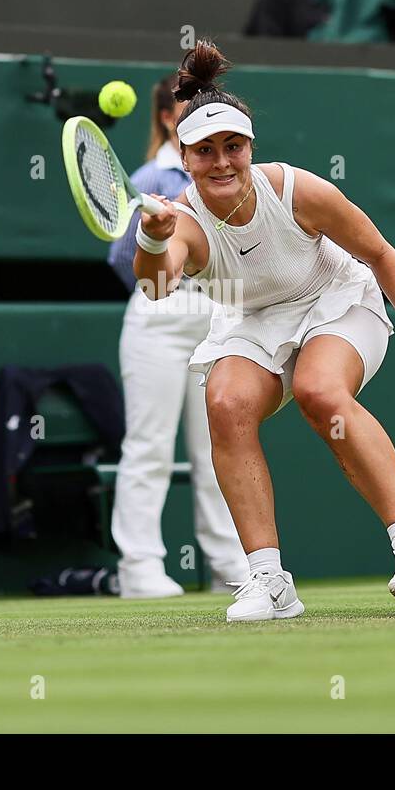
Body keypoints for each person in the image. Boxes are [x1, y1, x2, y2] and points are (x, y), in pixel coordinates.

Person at [132, 40, 395, 622]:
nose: (221, 162)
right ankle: (269, 580)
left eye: (233, 147)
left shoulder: (298, 191)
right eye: (205, 150)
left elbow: (380, 253)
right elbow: (155, 287)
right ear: (184, 157)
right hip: (251, 319)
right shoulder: (185, 222)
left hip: (336, 302)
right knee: (225, 403)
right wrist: (152, 237)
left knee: (321, 393)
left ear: (250, 148)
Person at [106, 75, 249, 599]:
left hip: (219, 319)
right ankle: (139, 569)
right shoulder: (149, 176)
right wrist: (167, 270)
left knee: (221, 447)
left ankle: (232, 567)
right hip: (158, 323)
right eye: (190, 113)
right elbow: (125, 258)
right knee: (149, 448)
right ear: (169, 120)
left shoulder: (231, 178)